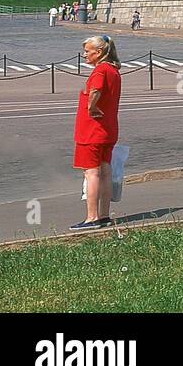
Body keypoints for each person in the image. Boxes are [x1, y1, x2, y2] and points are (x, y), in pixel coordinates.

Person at [71, 34, 122, 231]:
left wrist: (91, 107)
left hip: (92, 130)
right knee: (105, 170)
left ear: (98, 52)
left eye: (87, 51)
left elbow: (96, 90)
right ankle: (103, 215)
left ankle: (91, 217)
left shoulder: (100, 70)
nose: (84, 55)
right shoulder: (114, 70)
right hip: (108, 129)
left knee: (91, 173)